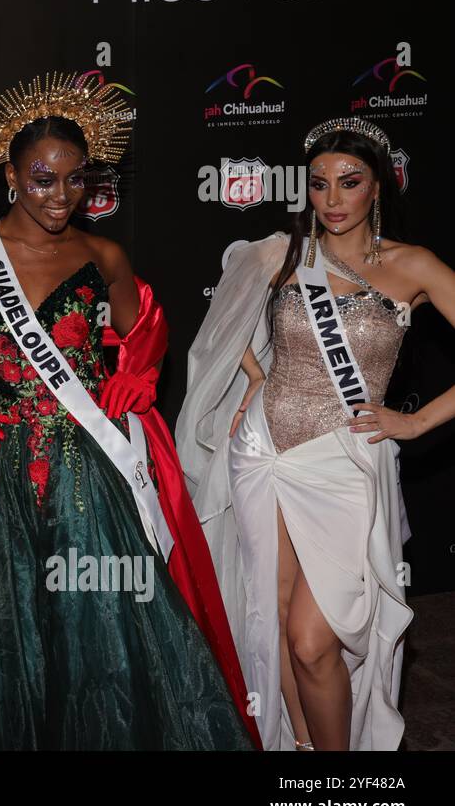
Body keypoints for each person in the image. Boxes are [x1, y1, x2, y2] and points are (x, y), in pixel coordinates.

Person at [0, 74, 253, 749]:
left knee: (101, 623)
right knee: (5, 625)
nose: (61, 196)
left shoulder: (101, 253)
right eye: (44, 179)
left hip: (87, 468)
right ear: (12, 175)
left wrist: (133, 382)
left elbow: (145, 332)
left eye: (77, 180)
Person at [178, 117, 454, 750]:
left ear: (378, 187)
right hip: (264, 452)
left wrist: (414, 421)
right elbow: (224, 330)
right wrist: (253, 376)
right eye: (319, 184)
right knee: (273, 619)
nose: (332, 200)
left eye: (349, 183)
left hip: (345, 463)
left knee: (312, 637)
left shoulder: (412, 265)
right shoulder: (281, 254)